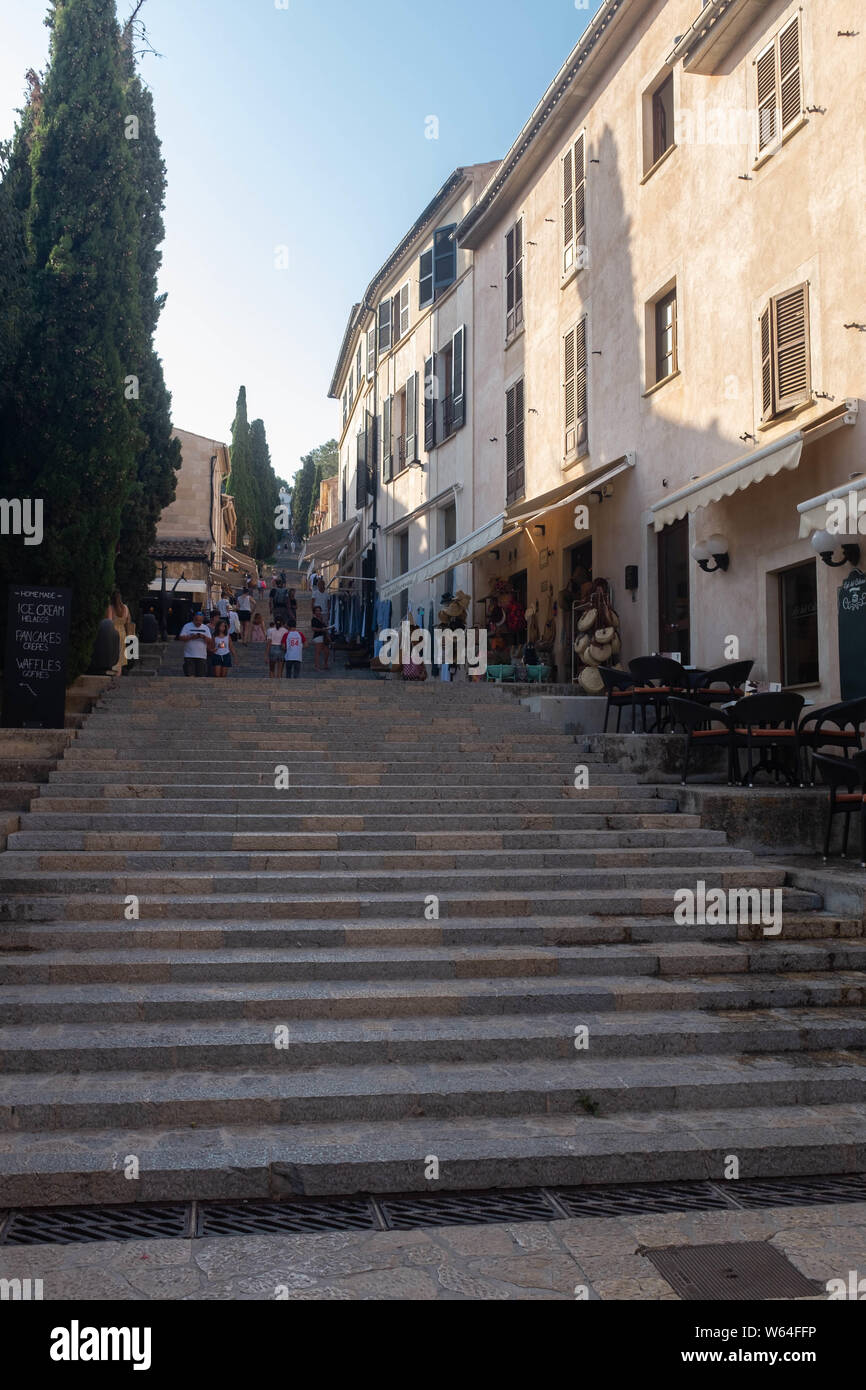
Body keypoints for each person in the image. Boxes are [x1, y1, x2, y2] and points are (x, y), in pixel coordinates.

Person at [177, 612, 213, 677]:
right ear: (193, 619)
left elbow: (210, 641)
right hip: (189, 655)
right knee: (190, 675)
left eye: (200, 621)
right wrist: (191, 637)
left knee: (201, 676)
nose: (198, 622)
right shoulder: (187, 626)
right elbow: (181, 638)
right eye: (197, 620)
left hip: (202, 656)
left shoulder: (205, 628)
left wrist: (203, 637)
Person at [311, 606, 330, 672]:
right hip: (318, 637)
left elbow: (324, 627)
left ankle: (325, 664)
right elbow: (313, 628)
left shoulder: (321, 619)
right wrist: (322, 629)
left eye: (319, 610)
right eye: (317, 610)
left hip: (323, 636)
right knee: (318, 652)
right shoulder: (314, 619)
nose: (318, 612)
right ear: (314, 612)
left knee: (327, 651)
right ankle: (317, 666)